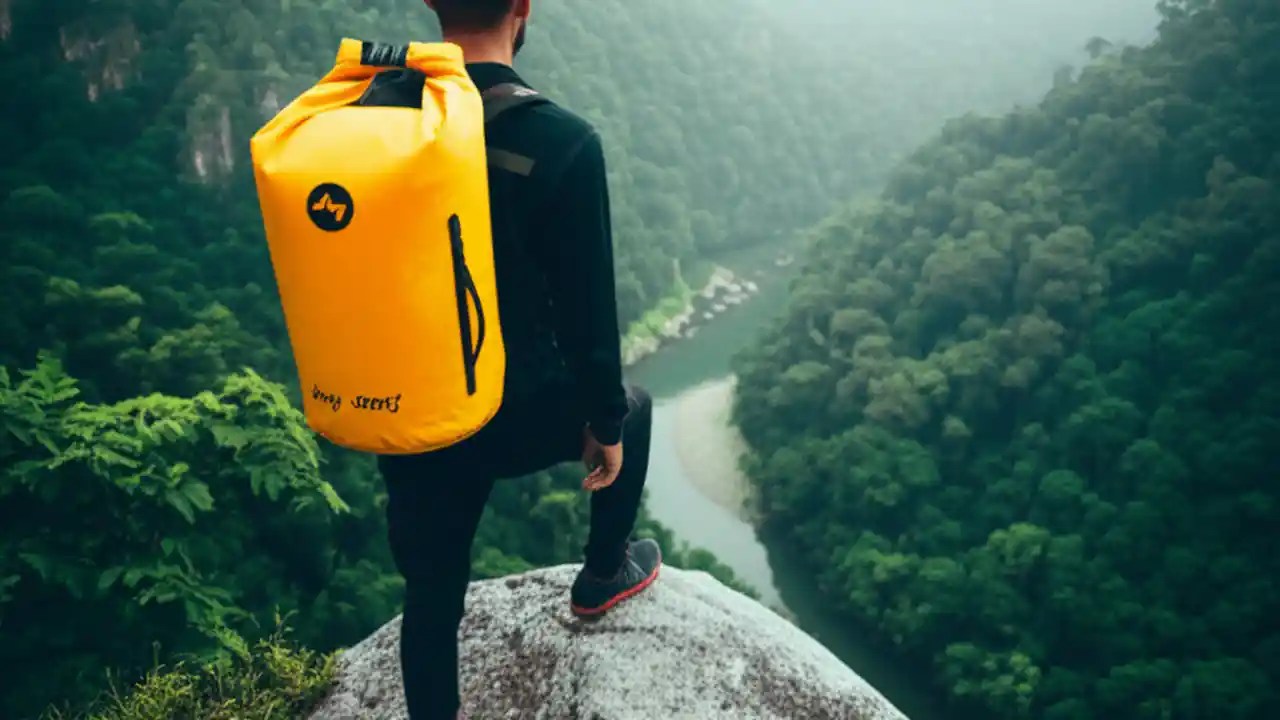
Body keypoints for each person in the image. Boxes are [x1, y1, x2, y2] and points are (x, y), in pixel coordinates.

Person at [370, 1, 661, 718]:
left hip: (410, 411)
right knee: (635, 403)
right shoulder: (559, 140)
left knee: (431, 602)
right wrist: (605, 423)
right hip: (514, 410)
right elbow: (591, 313)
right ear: (522, 7)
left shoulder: (373, 113)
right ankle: (602, 573)